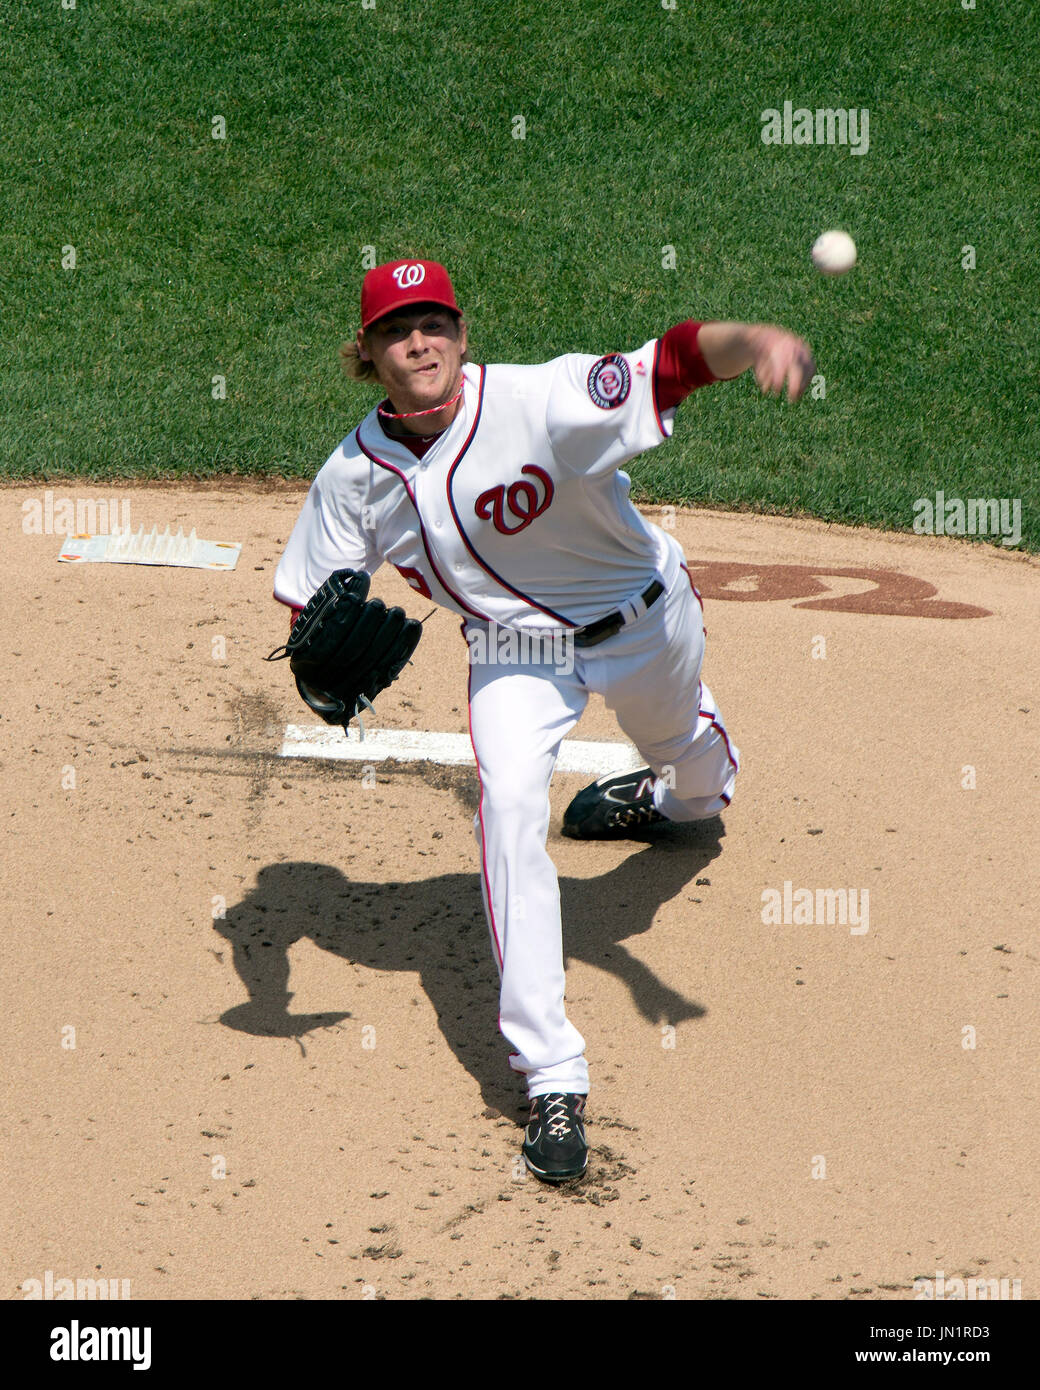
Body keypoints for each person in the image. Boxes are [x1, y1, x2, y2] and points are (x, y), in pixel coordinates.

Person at [273, 258, 815, 1183]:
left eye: (435, 321)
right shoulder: (352, 476)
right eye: (398, 330)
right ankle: (552, 1074)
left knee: (686, 763)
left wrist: (754, 342)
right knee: (510, 804)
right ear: (366, 354)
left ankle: (680, 793)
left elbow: (673, 362)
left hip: (642, 620)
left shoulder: (540, 399)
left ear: (463, 332)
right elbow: (309, 606)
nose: (420, 340)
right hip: (513, 653)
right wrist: (315, 665)